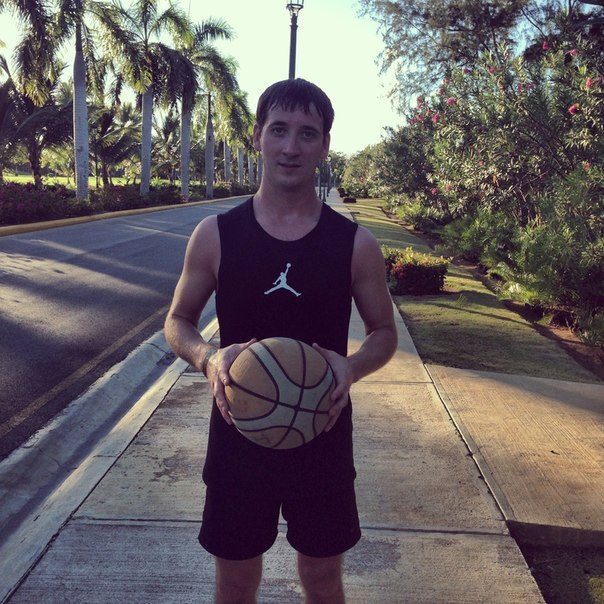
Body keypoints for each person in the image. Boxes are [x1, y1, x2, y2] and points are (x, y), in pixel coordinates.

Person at [164, 78, 398, 603]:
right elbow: (177, 321)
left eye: (307, 133)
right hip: (238, 432)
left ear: (325, 145)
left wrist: (352, 366)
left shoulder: (355, 244)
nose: (291, 146)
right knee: (235, 580)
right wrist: (208, 357)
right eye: (279, 130)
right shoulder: (216, 235)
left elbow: (384, 333)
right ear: (258, 137)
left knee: (322, 577)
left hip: (323, 432)